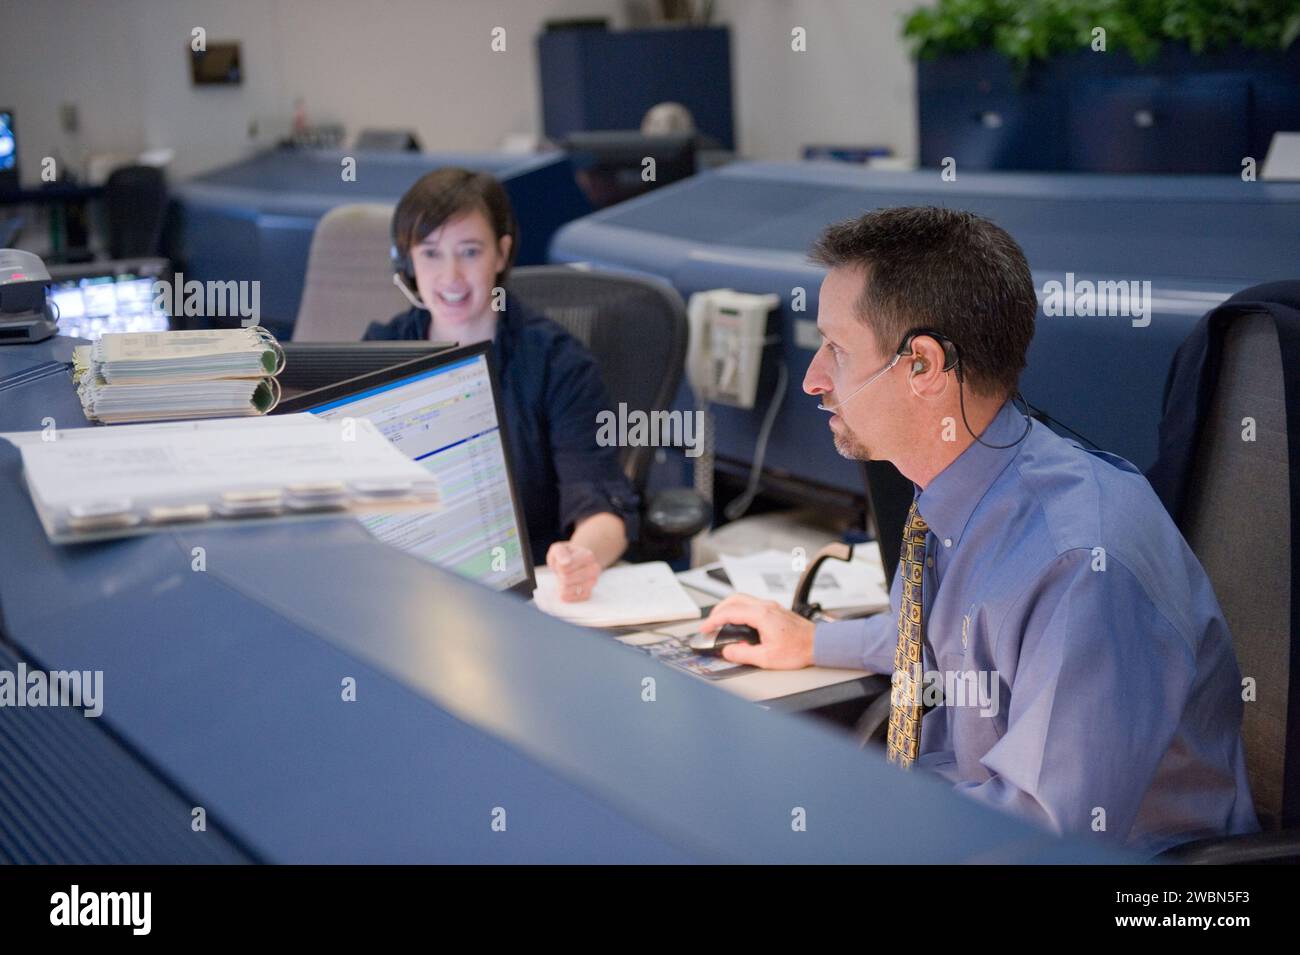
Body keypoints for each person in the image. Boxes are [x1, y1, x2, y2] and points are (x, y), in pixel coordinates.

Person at [700, 206, 1259, 855]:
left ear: (924, 366)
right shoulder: (962, 485)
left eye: (838, 350)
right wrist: (812, 639)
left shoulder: (1079, 561)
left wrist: (831, 818)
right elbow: (948, 637)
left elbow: (1039, 833)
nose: (813, 378)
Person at [365, 168, 637, 601]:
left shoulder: (557, 362)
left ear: (501, 253)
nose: (450, 276)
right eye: (431, 253)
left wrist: (581, 557)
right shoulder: (381, 352)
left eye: (469, 252)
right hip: (407, 587)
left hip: (517, 596)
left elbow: (601, 504)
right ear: (408, 262)